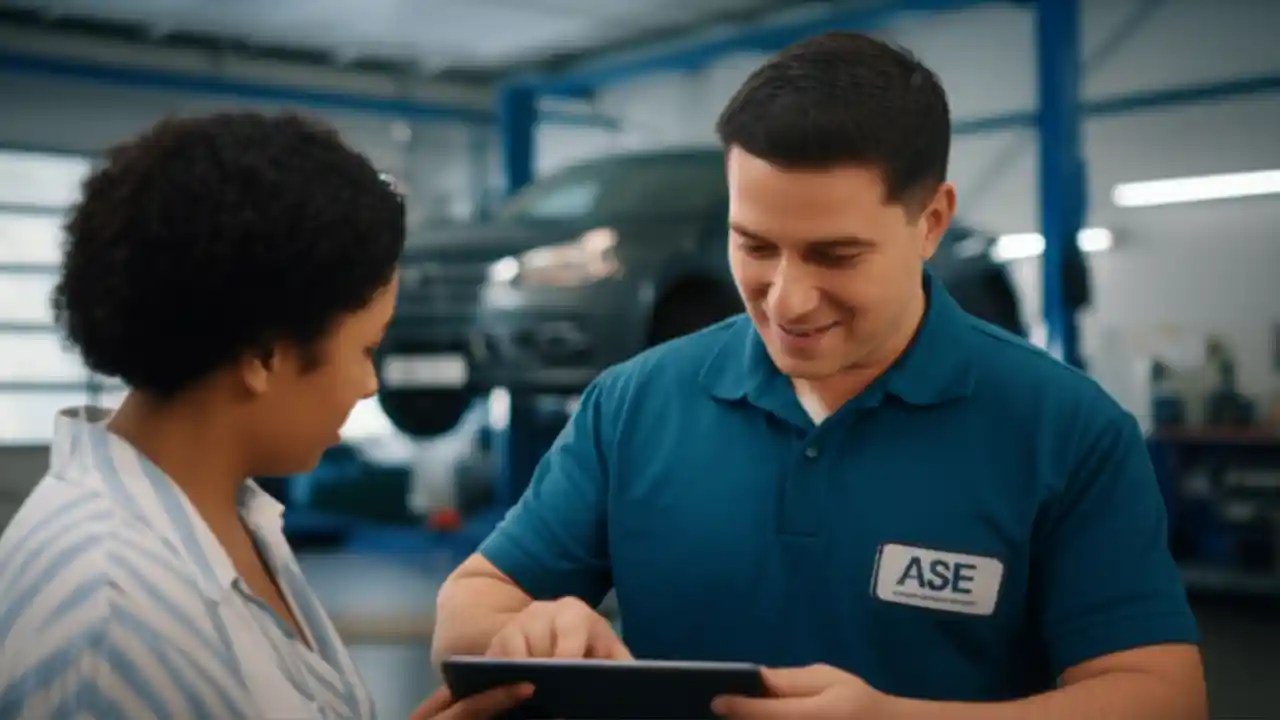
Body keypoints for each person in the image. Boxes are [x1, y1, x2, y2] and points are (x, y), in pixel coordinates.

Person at [431, 32, 1208, 719]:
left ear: (931, 222)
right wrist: (525, 634)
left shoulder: (1066, 431)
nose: (789, 300)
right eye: (755, 246)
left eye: (836, 255)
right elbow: (471, 603)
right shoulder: (634, 405)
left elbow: (1159, 693)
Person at [0, 112, 521, 719]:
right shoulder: (111, 623)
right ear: (263, 355)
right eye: (365, 350)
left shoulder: (223, 517)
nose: (368, 384)